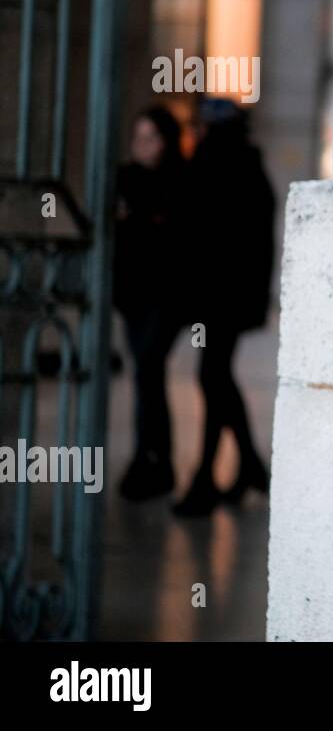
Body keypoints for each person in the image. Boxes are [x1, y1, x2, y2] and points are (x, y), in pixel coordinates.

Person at [172, 96, 274, 517]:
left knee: (212, 376)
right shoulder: (247, 163)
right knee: (216, 377)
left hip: (219, 297)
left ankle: (210, 479)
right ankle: (247, 466)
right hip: (230, 297)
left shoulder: (217, 161)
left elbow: (201, 233)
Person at [113, 105, 190, 500]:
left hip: (166, 298)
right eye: (137, 138)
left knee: (147, 369)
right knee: (147, 375)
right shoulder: (123, 178)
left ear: (166, 141)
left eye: (151, 138)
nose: (142, 146)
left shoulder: (180, 180)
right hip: (131, 297)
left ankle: (152, 460)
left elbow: (177, 239)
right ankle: (155, 460)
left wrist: (139, 219)